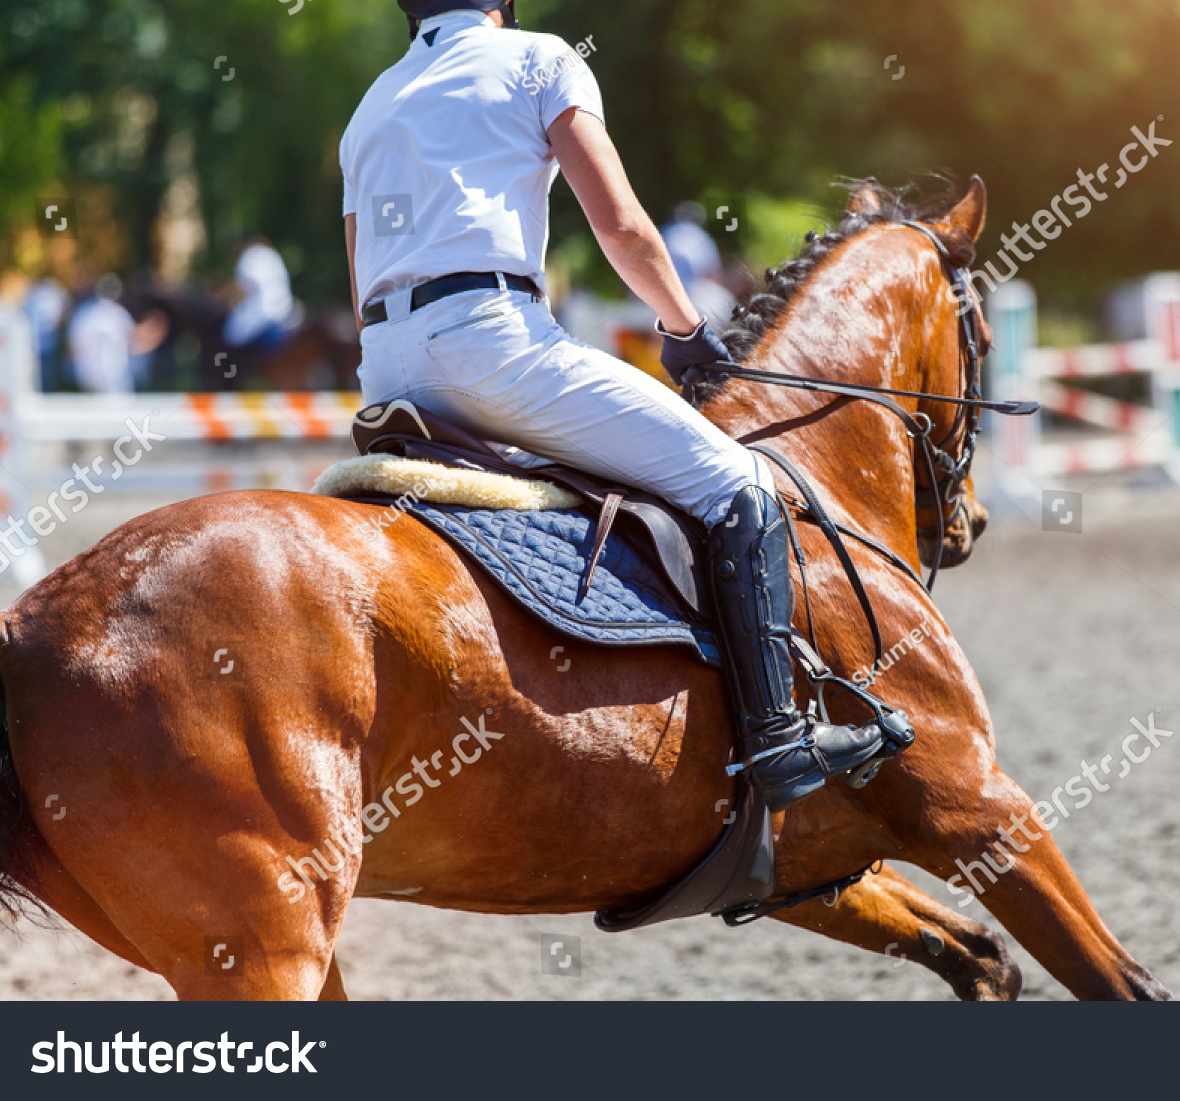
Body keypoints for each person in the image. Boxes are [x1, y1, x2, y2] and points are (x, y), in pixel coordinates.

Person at [340, 0, 898, 810]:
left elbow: (359, 278)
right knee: (738, 483)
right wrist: (685, 326)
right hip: (491, 344)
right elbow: (622, 224)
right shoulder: (540, 59)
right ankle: (778, 734)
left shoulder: (370, 106)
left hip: (386, 367)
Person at [661, 201, 736, 329]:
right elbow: (712, 273)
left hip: (658, 291)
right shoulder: (701, 236)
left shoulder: (664, 232)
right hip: (692, 292)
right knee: (727, 302)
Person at [224, 235, 298, 355]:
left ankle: (237, 371)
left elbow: (242, 291)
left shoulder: (246, 259)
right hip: (285, 306)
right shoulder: (269, 253)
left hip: (262, 313)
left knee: (230, 336)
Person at [66, 274, 136, 394]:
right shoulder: (118, 313)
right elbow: (131, 339)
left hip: (91, 370)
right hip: (113, 370)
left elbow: (73, 343)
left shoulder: (85, 312)